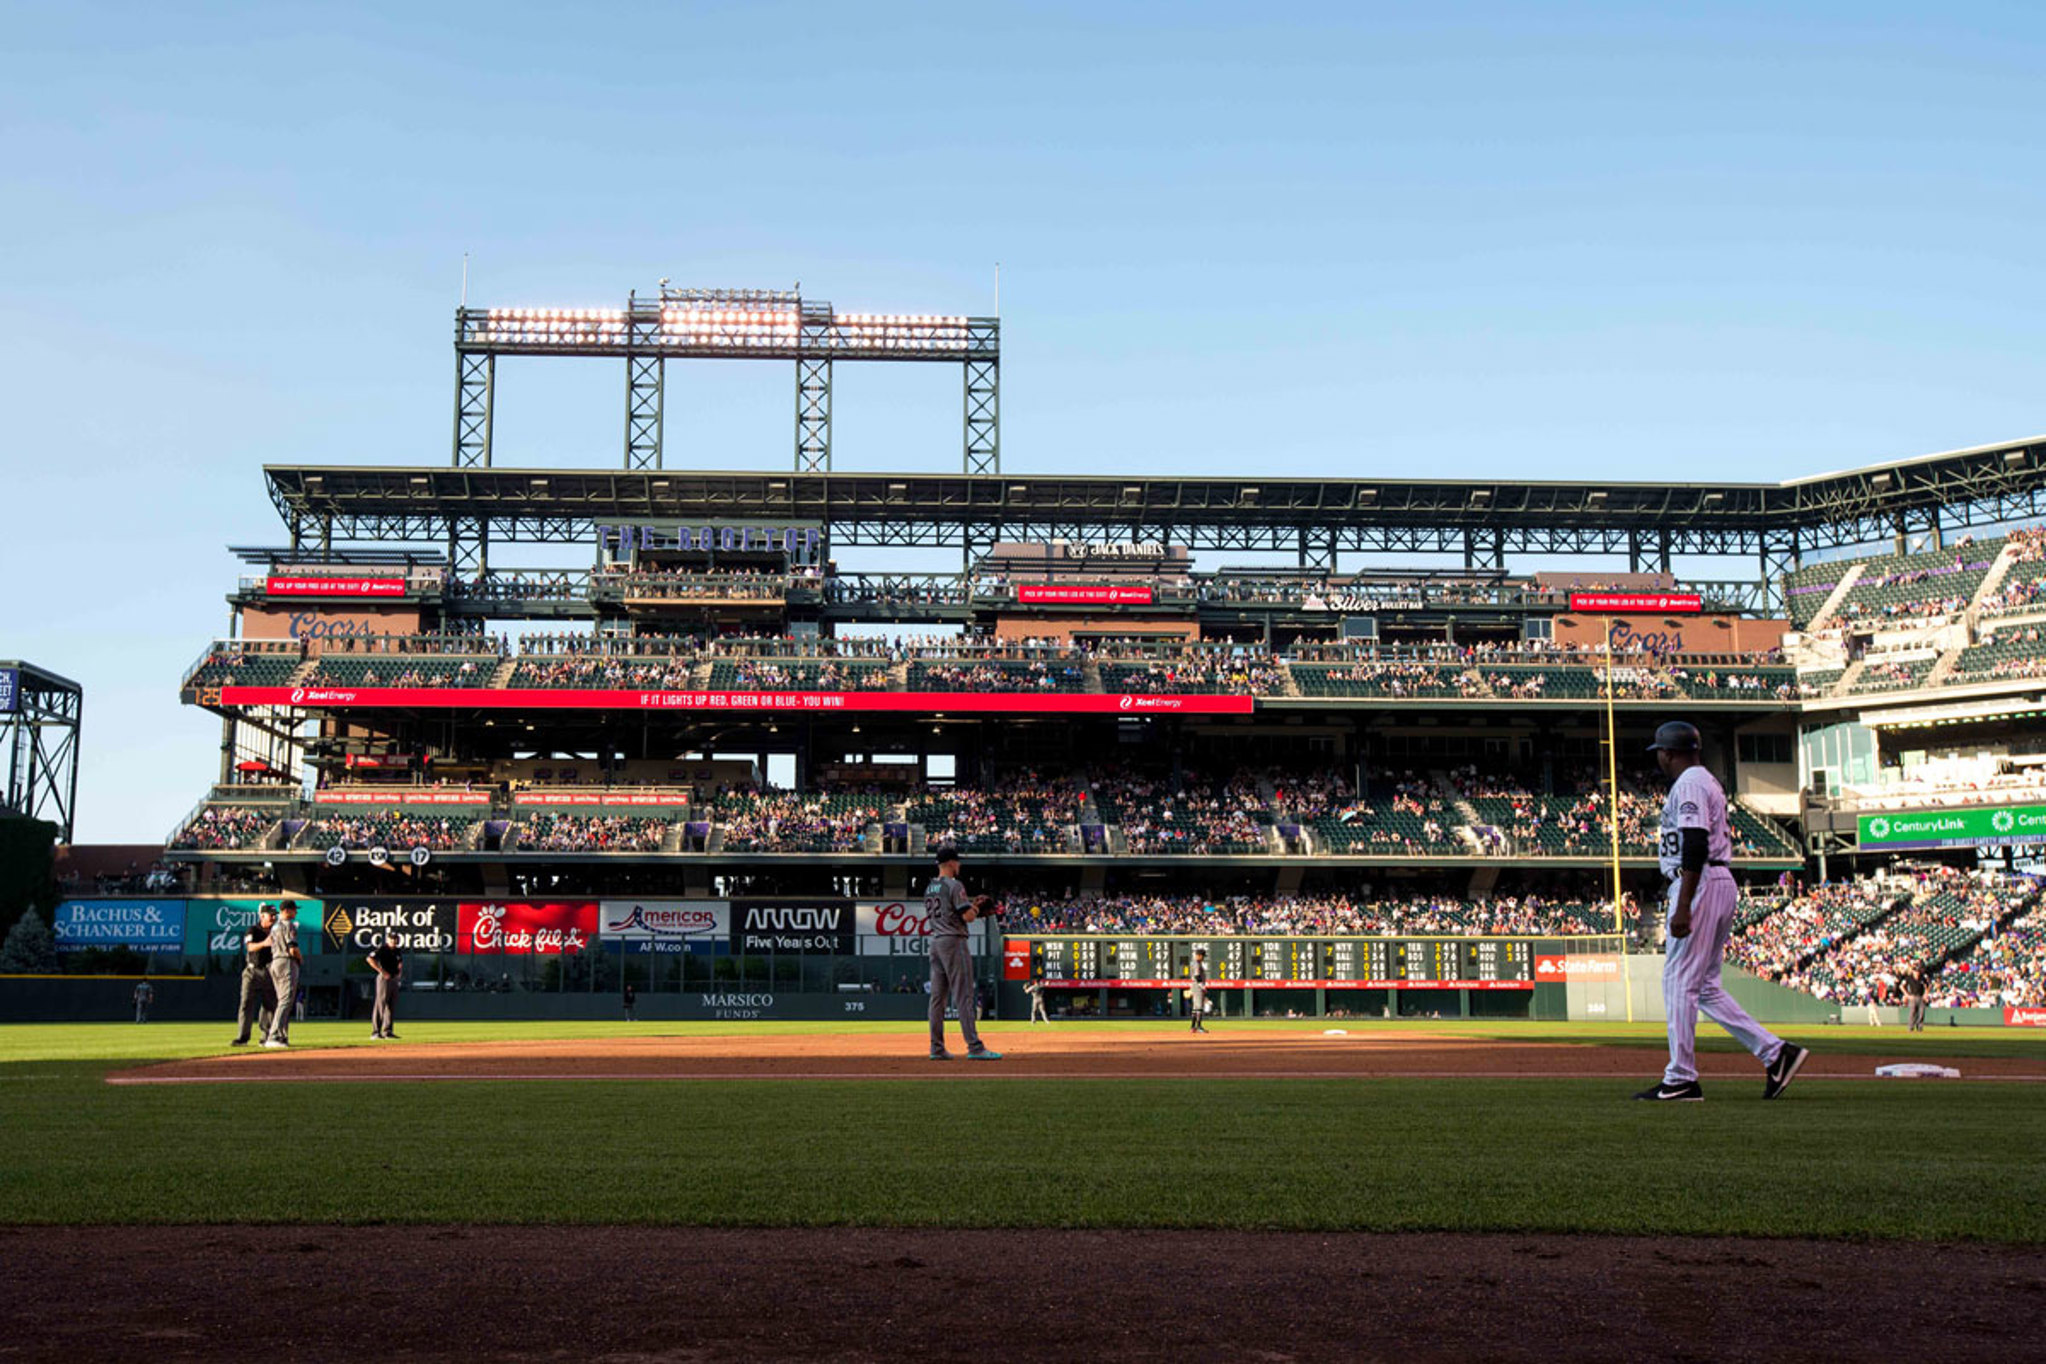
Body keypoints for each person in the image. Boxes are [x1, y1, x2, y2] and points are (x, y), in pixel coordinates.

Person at [1636, 721, 1809, 1102]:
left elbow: (1694, 841)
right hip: (1714, 880)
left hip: (1698, 881)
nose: (1660, 760)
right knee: (1706, 986)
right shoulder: (1705, 779)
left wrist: (1684, 905)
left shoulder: (1691, 782)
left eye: (1661, 753)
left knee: (1678, 981)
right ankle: (1776, 1053)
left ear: (1669, 752)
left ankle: (1680, 1078)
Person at [924, 846, 1001, 1060]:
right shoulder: (954, 884)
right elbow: (967, 917)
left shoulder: (930, 887)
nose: (959, 865)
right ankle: (975, 1047)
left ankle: (936, 1048)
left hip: (936, 942)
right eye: (957, 862)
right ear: (950, 863)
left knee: (937, 999)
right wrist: (976, 907)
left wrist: (971, 906)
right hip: (954, 941)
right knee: (964, 995)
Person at [230, 905, 277, 1046]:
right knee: (246, 1003)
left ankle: (266, 1036)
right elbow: (249, 947)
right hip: (252, 971)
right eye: (271, 915)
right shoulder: (253, 930)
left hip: (269, 971)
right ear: (262, 916)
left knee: (269, 1005)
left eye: (275, 915)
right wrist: (264, 943)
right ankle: (243, 1037)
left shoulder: (276, 931)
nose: (274, 918)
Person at [263, 901, 303, 1049]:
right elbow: (292, 948)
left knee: (282, 1001)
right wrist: (300, 958)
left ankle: (282, 1036)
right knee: (286, 1000)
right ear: (286, 911)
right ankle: (273, 1036)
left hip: (275, 962)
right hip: (286, 961)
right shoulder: (288, 925)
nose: (296, 913)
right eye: (294, 910)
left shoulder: (274, 927)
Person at [366, 932, 402, 1040]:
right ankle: (375, 1032)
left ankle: (388, 1031)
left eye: (395, 939)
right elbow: (369, 959)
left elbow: (400, 963)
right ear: (387, 940)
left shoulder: (397, 950)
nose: (393, 941)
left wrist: (399, 975)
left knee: (391, 1005)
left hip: (393, 979)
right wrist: (381, 971)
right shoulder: (382, 949)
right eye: (391, 939)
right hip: (384, 979)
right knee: (380, 1004)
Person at [1188, 947, 1210, 1033]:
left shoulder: (1194, 963)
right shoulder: (1196, 963)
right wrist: (1202, 986)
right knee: (1199, 1007)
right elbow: (1197, 976)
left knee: (1195, 1007)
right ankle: (1199, 1027)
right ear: (1199, 955)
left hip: (1195, 985)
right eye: (1203, 956)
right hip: (1197, 986)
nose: (1203, 958)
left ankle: (1193, 1027)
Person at [1903, 967, 1928, 1032]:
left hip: (1920, 996)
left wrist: (1925, 995)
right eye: (1916, 972)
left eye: (1918, 972)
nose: (1917, 973)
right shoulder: (1909, 978)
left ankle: (1919, 1027)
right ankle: (1910, 1027)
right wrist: (1907, 995)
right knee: (1912, 1013)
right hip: (1913, 996)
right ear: (1913, 972)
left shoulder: (1922, 978)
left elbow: (1927, 986)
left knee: (1921, 1013)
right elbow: (1901, 986)